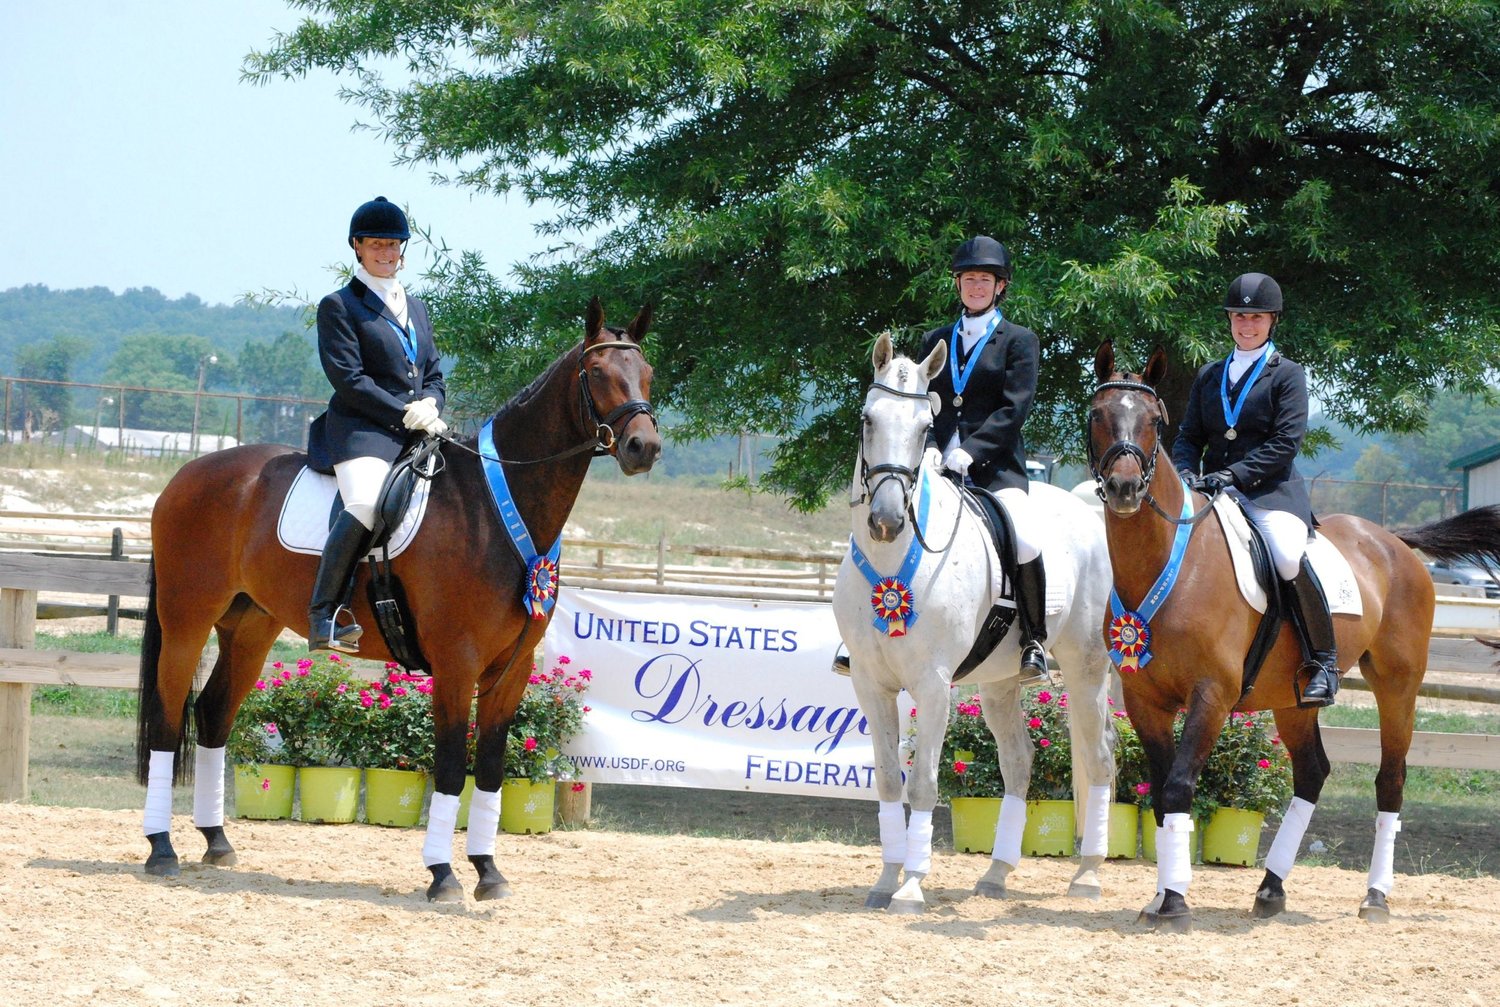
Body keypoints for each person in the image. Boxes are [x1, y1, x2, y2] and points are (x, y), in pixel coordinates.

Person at [1171, 272, 1340, 707]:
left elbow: (1285, 444)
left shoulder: (1287, 375)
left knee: (1285, 553)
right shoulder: (1210, 375)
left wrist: (1235, 476)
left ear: (1271, 322)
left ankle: (1322, 661)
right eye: (1239, 316)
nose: (1247, 325)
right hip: (1210, 493)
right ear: (1230, 320)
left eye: (1257, 318)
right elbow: (1189, 435)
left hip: (1269, 494)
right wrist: (1187, 472)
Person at [304, 196, 448, 653]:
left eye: (394, 245)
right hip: (362, 430)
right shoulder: (340, 305)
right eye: (377, 245)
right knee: (366, 504)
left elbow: (434, 373)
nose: (387, 253)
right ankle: (324, 615)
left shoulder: (417, 306)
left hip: (419, 428)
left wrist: (431, 402)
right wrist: (403, 411)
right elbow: (349, 380)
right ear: (357, 247)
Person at [920, 235, 1050, 682]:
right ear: (958, 284)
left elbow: (1015, 408)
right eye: (969, 278)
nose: (976, 286)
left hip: (995, 469)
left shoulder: (1019, 341)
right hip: (937, 466)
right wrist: (935, 447)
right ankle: (863, 636)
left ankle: (1033, 638)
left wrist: (969, 453)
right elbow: (924, 399)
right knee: (889, 516)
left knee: (1027, 540)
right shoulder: (935, 339)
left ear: (1000, 287)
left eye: (985, 280)